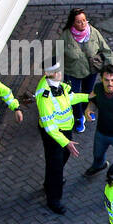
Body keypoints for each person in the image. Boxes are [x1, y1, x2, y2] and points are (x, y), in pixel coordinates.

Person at [33, 63, 87, 215]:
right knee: (56, 165)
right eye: (57, 71)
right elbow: (50, 128)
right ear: (51, 73)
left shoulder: (58, 85)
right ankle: (53, 199)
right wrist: (66, 142)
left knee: (62, 159)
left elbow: (70, 98)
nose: (60, 72)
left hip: (65, 130)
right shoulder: (44, 96)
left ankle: (50, 182)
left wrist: (87, 96)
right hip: (54, 135)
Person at [61, 8, 113, 133]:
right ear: (73, 23)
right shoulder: (65, 37)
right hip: (72, 72)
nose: (83, 24)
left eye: (84, 20)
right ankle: (78, 117)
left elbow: (106, 50)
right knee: (74, 96)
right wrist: (52, 73)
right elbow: (55, 55)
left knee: (87, 93)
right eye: (79, 22)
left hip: (90, 71)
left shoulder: (94, 33)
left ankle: (86, 110)